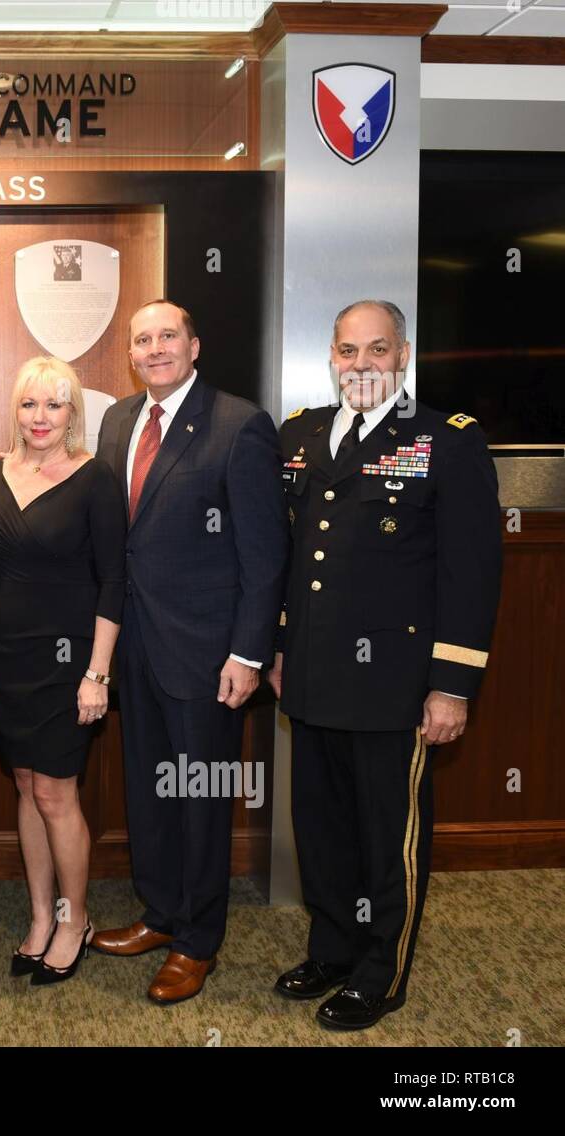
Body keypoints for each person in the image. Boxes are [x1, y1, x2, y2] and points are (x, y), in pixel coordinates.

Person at [270, 300, 502, 1030]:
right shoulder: (302, 433)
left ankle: (382, 970)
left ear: (402, 355)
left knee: (386, 835)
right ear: (331, 356)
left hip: (393, 685)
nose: (360, 364)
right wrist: (279, 645)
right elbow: (288, 556)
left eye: (376, 350)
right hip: (310, 674)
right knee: (323, 829)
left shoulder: (445, 440)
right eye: (347, 350)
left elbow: (471, 574)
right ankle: (334, 948)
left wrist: (452, 686)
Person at [90, 299, 287, 1003]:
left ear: (194, 346)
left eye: (167, 336)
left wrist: (249, 654)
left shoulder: (239, 425)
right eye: (142, 340)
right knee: (148, 789)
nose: (155, 348)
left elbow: (266, 556)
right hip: (133, 648)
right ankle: (163, 914)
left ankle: (199, 940)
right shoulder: (118, 420)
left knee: (200, 797)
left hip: (208, 656)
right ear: (133, 355)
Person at [0, 357, 124, 986]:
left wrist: (98, 673)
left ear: (72, 413)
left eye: (54, 406)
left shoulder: (95, 478)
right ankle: (39, 915)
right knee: (26, 787)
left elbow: (115, 581)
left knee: (57, 794)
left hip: (69, 660)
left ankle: (74, 918)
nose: (41, 418)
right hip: (7, 656)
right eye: (30, 404)